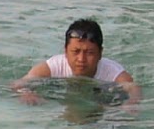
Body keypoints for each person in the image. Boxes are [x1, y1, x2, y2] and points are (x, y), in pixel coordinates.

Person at [13, 18, 141, 106]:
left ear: (100, 53)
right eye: (75, 51)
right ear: (65, 51)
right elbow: (19, 83)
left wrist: (131, 104)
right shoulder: (54, 66)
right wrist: (26, 93)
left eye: (89, 53)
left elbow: (133, 88)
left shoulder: (112, 72)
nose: (81, 59)